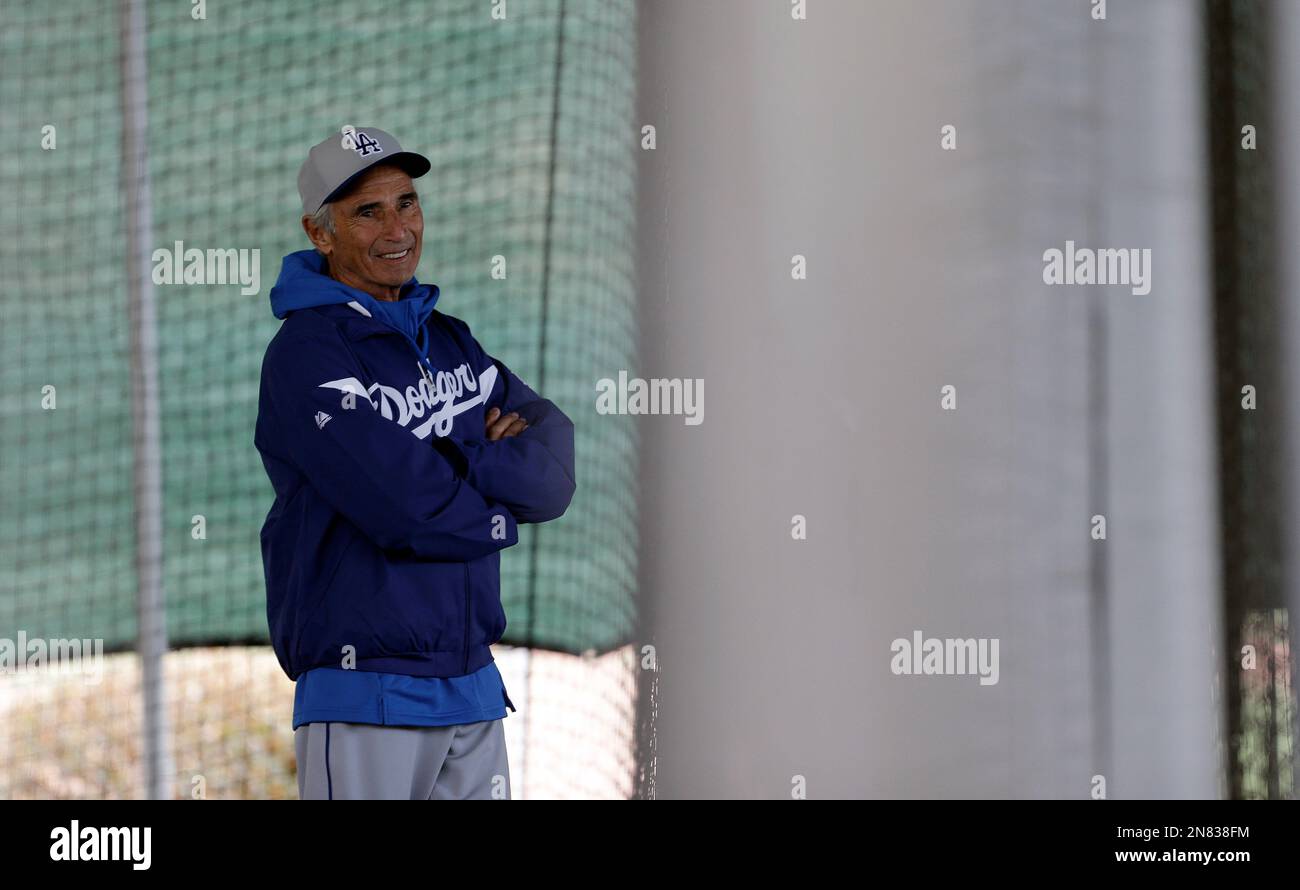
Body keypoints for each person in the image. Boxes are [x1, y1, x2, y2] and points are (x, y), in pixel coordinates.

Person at [254, 127, 576, 799]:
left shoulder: (453, 341)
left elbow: (553, 477)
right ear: (321, 233)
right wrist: (493, 492)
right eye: (367, 211)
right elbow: (402, 506)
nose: (396, 227)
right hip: (365, 689)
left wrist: (463, 460)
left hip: (474, 684)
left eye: (406, 202)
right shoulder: (308, 354)